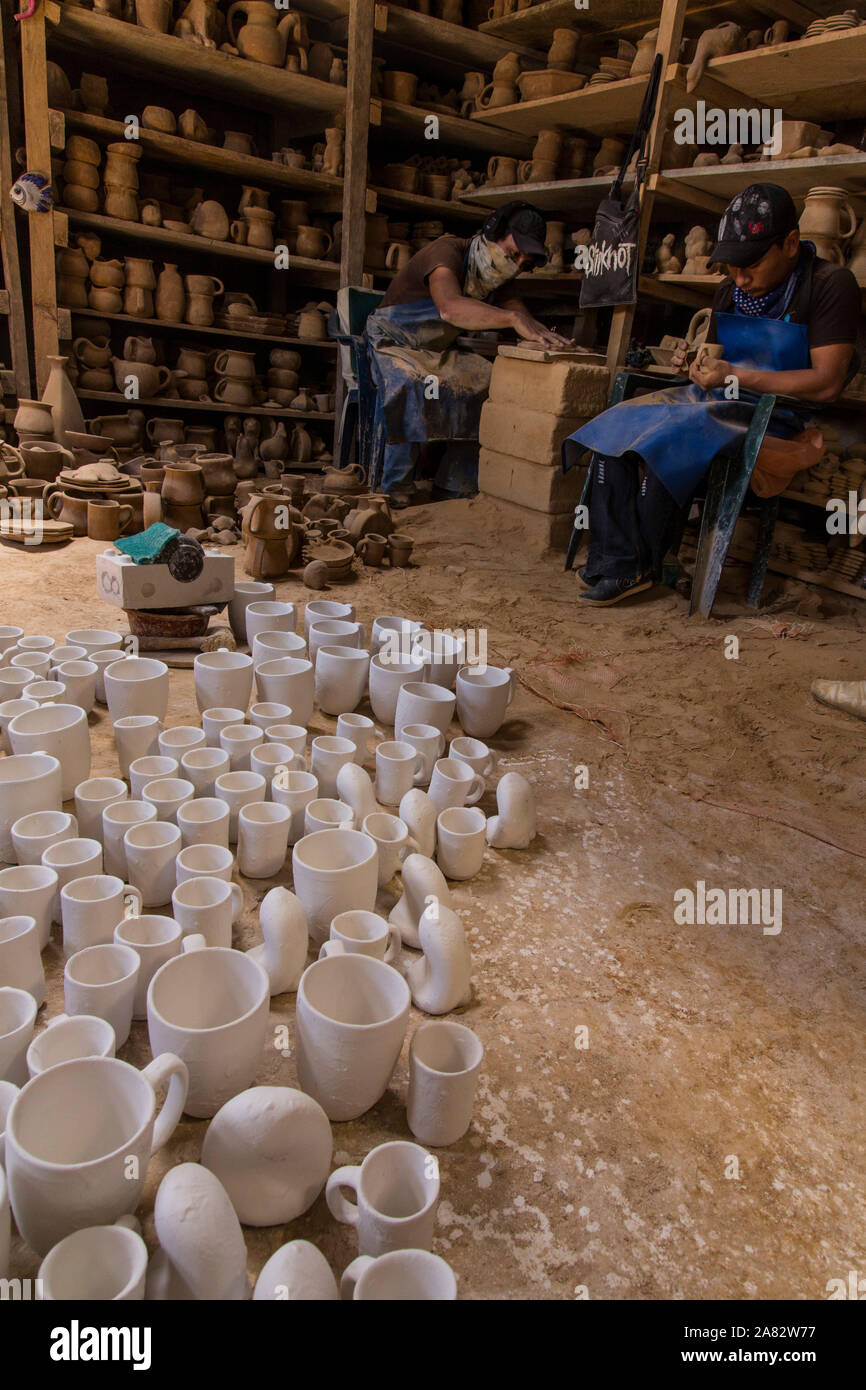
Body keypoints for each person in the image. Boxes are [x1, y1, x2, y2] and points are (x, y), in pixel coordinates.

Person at [562, 184, 861, 606]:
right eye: (732, 267)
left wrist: (734, 374)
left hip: (776, 419)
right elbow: (713, 365)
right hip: (719, 404)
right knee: (618, 422)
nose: (739, 278)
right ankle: (619, 563)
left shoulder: (830, 284)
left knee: (677, 432)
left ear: (791, 243)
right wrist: (697, 368)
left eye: (751, 265)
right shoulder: (729, 292)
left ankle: (638, 565)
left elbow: (827, 382)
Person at [365, 202, 573, 507]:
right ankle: (396, 491)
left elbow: (521, 316)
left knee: (487, 386)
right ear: (493, 233)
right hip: (392, 342)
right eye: (514, 254)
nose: (515, 266)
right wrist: (512, 320)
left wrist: (551, 340)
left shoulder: (497, 280)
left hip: (435, 351)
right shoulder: (447, 252)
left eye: (524, 263)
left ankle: (453, 485)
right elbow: (449, 306)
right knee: (411, 387)